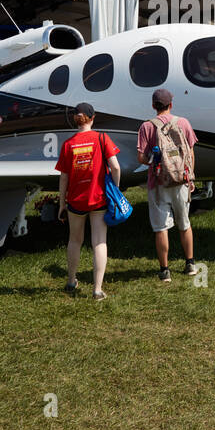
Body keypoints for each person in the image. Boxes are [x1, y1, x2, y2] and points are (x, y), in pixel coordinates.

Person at [55, 102, 121, 300]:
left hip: (76, 200)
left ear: (76, 120)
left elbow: (64, 177)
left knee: (75, 240)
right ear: (93, 118)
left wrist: (61, 204)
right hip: (99, 199)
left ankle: (71, 281)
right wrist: (115, 191)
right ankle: (97, 290)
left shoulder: (68, 144)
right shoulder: (102, 138)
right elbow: (116, 167)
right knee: (99, 242)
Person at [136, 88, 199, 282]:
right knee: (184, 224)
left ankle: (165, 271)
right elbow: (190, 152)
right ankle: (190, 264)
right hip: (181, 180)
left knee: (161, 228)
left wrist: (154, 160)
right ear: (171, 104)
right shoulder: (183, 122)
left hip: (158, 182)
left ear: (154, 106)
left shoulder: (146, 127)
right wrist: (191, 177)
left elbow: (141, 158)